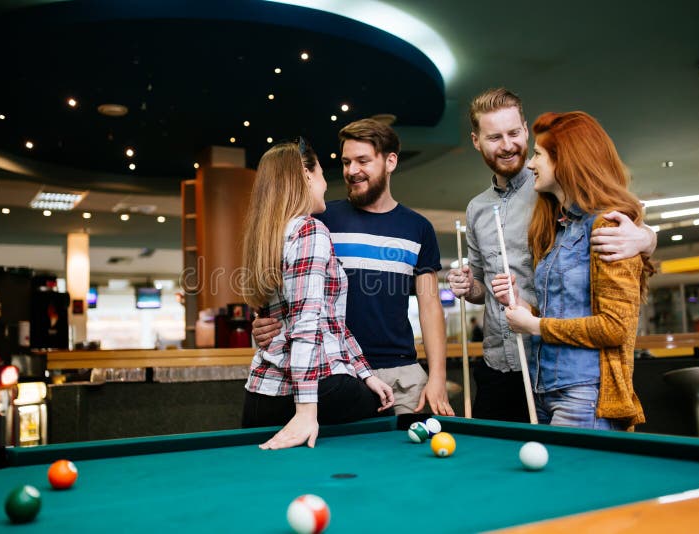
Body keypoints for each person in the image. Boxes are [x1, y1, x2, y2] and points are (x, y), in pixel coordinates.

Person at [446, 88, 656, 423]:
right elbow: (482, 288)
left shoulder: (551, 187)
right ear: (476, 140)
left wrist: (646, 237)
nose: (508, 145)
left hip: (551, 363)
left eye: (514, 133)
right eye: (495, 137)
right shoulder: (477, 209)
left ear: (526, 130)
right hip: (498, 364)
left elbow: (614, 218)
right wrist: (470, 287)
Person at [252, 119, 454, 416]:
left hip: (402, 375)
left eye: (363, 160)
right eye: (346, 162)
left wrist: (437, 377)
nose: (351, 170)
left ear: (390, 161)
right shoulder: (320, 220)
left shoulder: (418, 228)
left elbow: (430, 305)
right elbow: (288, 288)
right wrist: (264, 322)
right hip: (338, 374)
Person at [493, 111, 652, 429]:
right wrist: (527, 309)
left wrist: (535, 325)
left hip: (585, 393)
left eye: (538, 154)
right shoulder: (558, 228)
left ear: (565, 161)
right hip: (547, 389)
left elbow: (614, 328)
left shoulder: (608, 226)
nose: (530, 164)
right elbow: (568, 313)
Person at [240, 138, 394, 449]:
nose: (325, 183)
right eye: (323, 173)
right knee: (389, 408)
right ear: (307, 176)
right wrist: (306, 410)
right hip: (316, 392)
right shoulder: (310, 230)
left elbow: (328, 323)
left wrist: (366, 374)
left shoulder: (266, 237)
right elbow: (307, 325)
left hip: (260, 397)